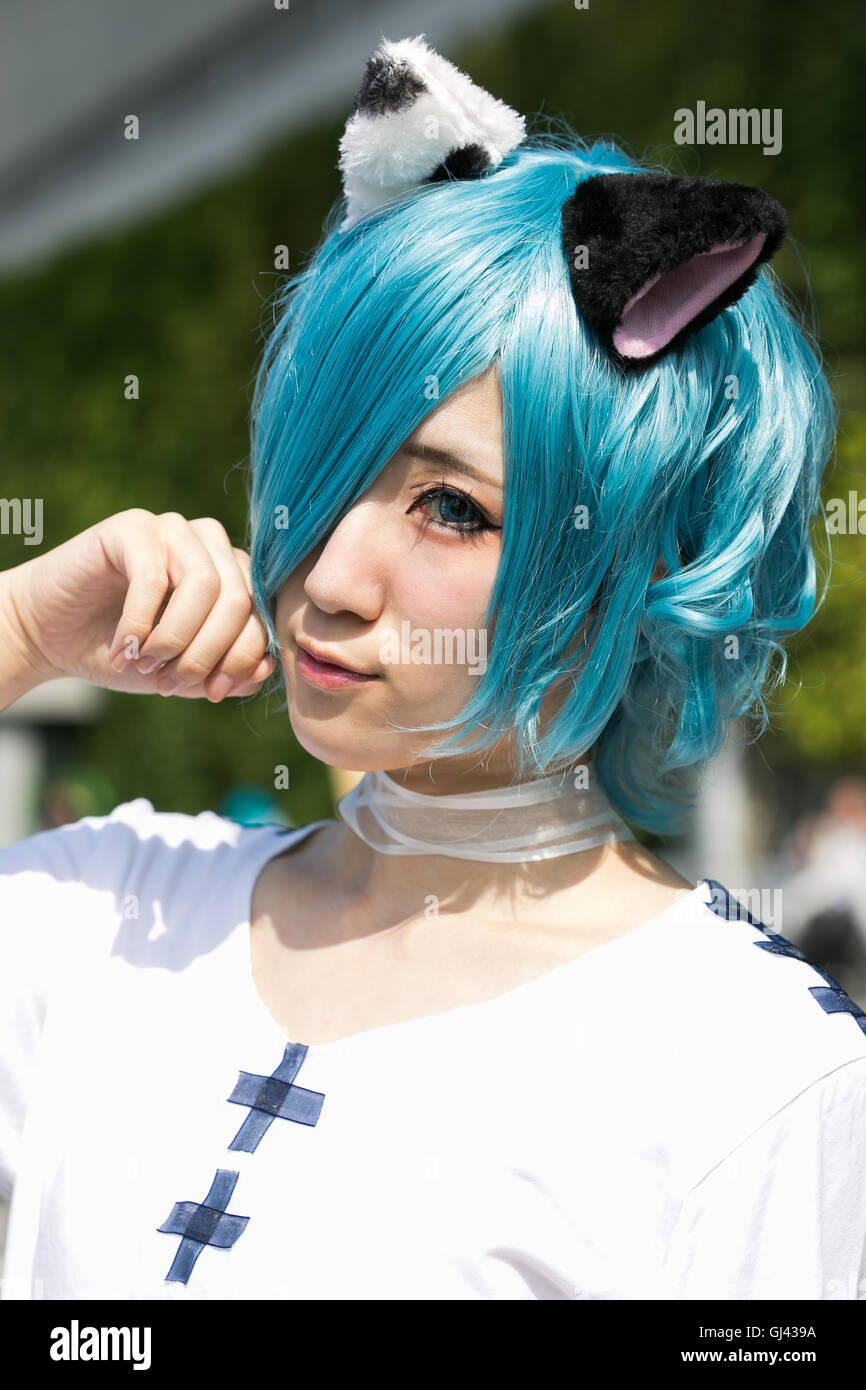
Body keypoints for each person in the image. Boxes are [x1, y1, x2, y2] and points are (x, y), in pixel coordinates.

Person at [1, 34, 864, 1302]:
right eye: (332, 464)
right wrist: (16, 630)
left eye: (452, 507)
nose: (330, 573)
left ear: (629, 557)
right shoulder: (94, 911)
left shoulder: (752, 1077)